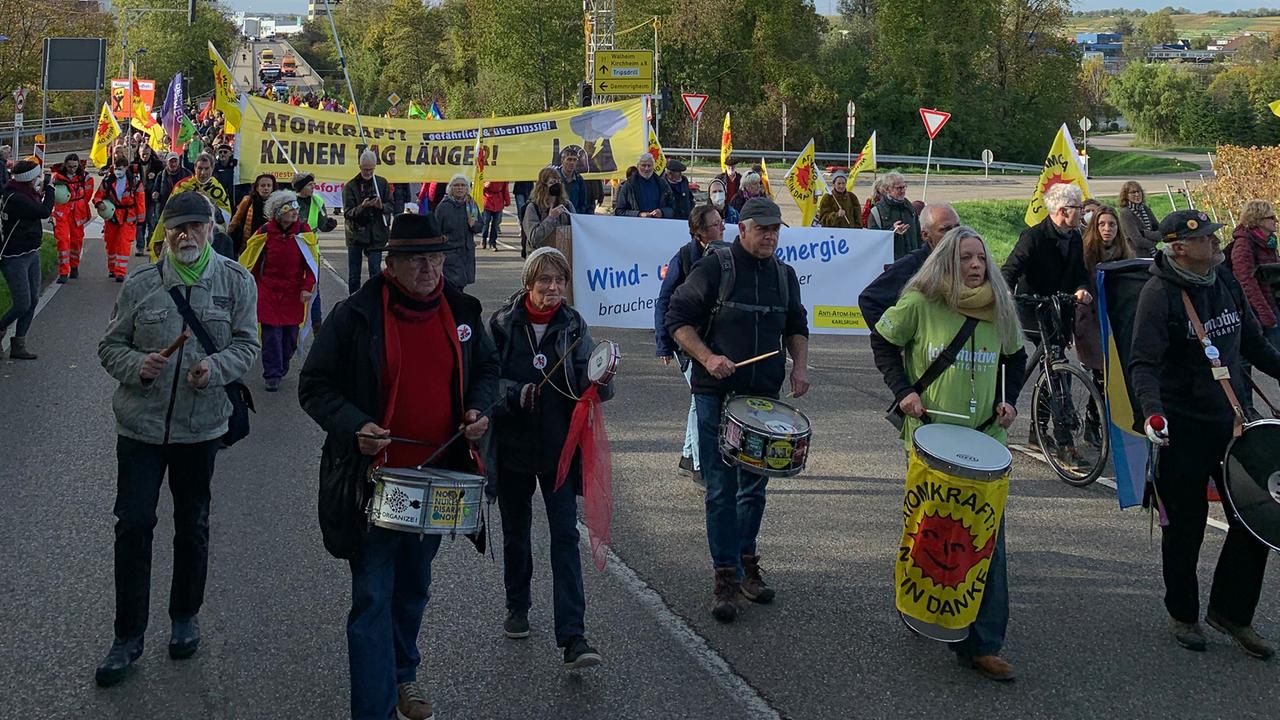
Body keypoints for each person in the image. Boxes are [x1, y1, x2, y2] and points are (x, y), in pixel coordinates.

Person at [298, 213, 499, 720]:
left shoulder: (463, 309)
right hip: (373, 483)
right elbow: (315, 386)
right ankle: (374, 708)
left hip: (439, 482)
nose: (430, 268)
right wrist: (356, 426)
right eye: (417, 259)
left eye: (436, 258)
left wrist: (478, 409)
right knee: (372, 598)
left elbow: (489, 371)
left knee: (414, 589)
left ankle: (402, 674)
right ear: (391, 264)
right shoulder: (356, 315)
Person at [93, 191, 261, 687]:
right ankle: (127, 637)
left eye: (195, 226)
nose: (185, 236)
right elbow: (110, 345)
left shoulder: (236, 282)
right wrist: (136, 367)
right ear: (163, 232)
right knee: (133, 525)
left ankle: (184, 617)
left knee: (192, 524)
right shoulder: (142, 283)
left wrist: (217, 366)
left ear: (211, 229)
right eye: (176, 228)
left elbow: (247, 343)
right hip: (140, 428)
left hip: (199, 428)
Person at [871, 226, 1027, 681]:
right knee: (929, 530)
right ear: (946, 262)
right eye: (965, 258)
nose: (976, 266)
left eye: (981, 257)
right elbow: (883, 342)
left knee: (987, 543)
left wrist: (1010, 398)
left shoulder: (1000, 309)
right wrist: (903, 392)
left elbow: (1015, 358)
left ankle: (982, 644)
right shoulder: (920, 303)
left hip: (986, 443)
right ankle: (922, 609)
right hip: (930, 439)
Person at [1129, 209, 1280, 661]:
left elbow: (1253, 344)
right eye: (1206, 240)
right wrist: (1153, 414)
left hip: (1234, 423)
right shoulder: (1158, 295)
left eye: (1214, 236)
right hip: (1182, 430)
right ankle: (1184, 614)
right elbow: (1143, 364)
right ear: (1178, 248)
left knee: (1258, 519)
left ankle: (1231, 613)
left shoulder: (1224, 281)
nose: (1215, 244)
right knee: (1187, 527)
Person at [664, 197, 811, 623]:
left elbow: (796, 326)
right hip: (716, 396)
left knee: (755, 489)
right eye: (761, 229)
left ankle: (747, 562)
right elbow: (677, 319)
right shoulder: (716, 267)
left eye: (775, 229)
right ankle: (724, 575)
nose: (769, 236)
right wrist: (708, 358)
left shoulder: (785, 276)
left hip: (764, 401)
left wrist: (799, 366)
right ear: (740, 229)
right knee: (721, 488)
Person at [487, 246, 611, 669]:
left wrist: (604, 378)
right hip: (513, 449)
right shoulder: (503, 325)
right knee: (517, 533)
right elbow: (482, 383)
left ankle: (573, 637)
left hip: (560, 449)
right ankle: (517, 605)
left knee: (564, 537)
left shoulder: (574, 325)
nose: (553, 288)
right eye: (545, 281)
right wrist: (513, 394)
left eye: (559, 281)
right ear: (528, 283)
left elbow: (591, 382)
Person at [655, 204, 727, 487]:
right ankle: (701, 466)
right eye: (715, 225)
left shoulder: (726, 254)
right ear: (699, 233)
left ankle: (688, 455)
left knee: (699, 399)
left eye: (722, 222)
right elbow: (664, 301)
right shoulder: (684, 258)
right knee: (701, 401)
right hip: (687, 342)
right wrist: (663, 343)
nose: (722, 227)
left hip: (711, 341)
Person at [239, 190, 319, 392]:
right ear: (277, 212)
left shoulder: (304, 232)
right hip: (268, 290)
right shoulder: (265, 232)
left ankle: (283, 364)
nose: (294, 212)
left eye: (295, 207)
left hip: (293, 293)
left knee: (290, 336)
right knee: (271, 335)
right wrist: (250, 286)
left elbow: (312, 265)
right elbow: (254, 260)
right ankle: (272, 373)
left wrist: (307, 287)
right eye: (289, 208)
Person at [1075, 206, 1134, 444]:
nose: (1107, 229)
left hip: (1114, 317)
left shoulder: (1124, 254)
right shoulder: (1086, 253)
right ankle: (1092, 422)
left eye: (1111, 224)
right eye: (1102, 225)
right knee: (1099, 370)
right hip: (1089, 318)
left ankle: (1097, 421)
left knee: (1112, 374)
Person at [858, 204, 961, 330]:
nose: (954, 234)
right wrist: (891, 339)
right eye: (945, 230)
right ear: (925, 235)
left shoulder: (970, 260)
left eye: (957, 228)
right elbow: (869, 300)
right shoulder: (912, 264)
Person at [0, 160, 55, 360]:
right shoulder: (15, 197)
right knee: (22, 303)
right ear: (28, 179)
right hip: (14, 256)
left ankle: (19, 344)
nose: (38, 180)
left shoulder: (24, 193)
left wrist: (41, 191)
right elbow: (42, 211)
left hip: (31, 252)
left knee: (33, 300)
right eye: (36, 177)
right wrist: (49, 189)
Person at [148, 153, 232, 260]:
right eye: (200, 168)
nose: (203, 173)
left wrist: (210, 204)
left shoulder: (217, 189)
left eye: (206, 169)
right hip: (182, 233)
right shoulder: (182, 185)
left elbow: (226, 215)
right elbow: (168, 212)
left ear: (212, 168)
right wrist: (159, 238)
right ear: (195, 168)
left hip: (208, 237)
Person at [342, 150, 391, 294]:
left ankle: (375, 300)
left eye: (370, 169)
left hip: (376, 235)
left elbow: (392, 205)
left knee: (375, 271)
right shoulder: (351, 186)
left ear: (375, 167)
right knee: (354, 274)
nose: (368, 172)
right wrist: (362, 207)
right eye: (365, 169)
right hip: (356, 235)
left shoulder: (381, 183)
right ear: (359, 166)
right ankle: (353, 300)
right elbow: (348, 213)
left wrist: (381, 206)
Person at [294, 173, 338, 331]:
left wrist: (329, 225)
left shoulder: (318, 201)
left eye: (313, 184)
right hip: (293, 246)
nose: (313, 187)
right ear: (301, 188)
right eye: (309, 185)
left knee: (313, 286)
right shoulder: (291, 202)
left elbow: (322, 224)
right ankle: (293, 320)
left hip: (311, 248)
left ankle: (317, 323)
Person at [94, 156, 147, 282]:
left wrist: (141, 220)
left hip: (128, 217)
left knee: (124, 244)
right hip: (112, 215)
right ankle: (112, 268)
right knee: (110, 243)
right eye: (117, 168)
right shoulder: (108, 181)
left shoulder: (135, 183)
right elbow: (98, 196)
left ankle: (120, 272)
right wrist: (99, 203)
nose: (118, 171)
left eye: (121, 169)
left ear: (126, 168)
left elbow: (140, 202)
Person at [50, 154, 93, 282]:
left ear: (78, 165)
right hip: (62, 211)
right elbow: (50, 192)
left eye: (74, 166)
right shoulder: (57, 177)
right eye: (69, 166)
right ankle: (63, 272)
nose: (72, 169)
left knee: (76, 241)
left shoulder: (85, 177)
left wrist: (80, 205)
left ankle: (74, 266)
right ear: (65, 165)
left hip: (78, 212)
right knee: (62, 241)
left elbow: (87, 195)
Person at [436, 174, 483, 290]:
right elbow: (435, 229)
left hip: (466, 253)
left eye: (463, 185)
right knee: (453, 286)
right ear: (450, 188)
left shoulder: (471, 205)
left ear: (467, 188)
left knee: (461, 286)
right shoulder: (443, 207)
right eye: (456, 185)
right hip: (450, 252)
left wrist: (474, 225)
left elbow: (480, 226)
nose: (460, 188)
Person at [868, 172, 922, 260]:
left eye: (904, 187)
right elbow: (873, 242)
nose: (903, 191)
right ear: (887, 189)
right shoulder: (876, 212)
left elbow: (919, 236)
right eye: (899, 188)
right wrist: (892, 232)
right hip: (890, 265)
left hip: (913, 262)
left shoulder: (910, 208)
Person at [523, 166, 574, 251]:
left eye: (559, 182)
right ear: (543, 186)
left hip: (562, 255)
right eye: (552, 182)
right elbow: (533, 238)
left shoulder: (567, 205)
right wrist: (550, 218)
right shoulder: (533, 208)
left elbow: (577, 231)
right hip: (541, 257)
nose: (557, 185)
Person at [227, 174, 276, 258]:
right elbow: (237, 218)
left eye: (269, 185)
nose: (266, 188)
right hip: (249, 242)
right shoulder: (248, 200)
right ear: (257, 188)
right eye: (263, 185)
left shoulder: (277, 203)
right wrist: (228, 231)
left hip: (269, 243)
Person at [614, 153, 674, 218]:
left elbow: (673, 208)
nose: (646, 169)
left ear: (653, 166)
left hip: (658, 224)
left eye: (649, 165)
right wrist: (638, 214)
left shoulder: (662, 184)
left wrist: (662, 212)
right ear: (638, 166)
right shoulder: (628, 185)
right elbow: (619, 211)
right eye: (643, 165)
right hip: (635, 225)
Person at [1118, 180, 1162, 257]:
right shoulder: (1125, 213)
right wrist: (1154, 240)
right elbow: (1138, 241)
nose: (1137, 194)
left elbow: (1160, 233)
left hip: (1153, 253)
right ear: (1126, 195)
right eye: (1133, 192)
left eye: (1139, 191)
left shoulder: (1146, 209)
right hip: (1137, 256)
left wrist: (1144, 233)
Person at [135, 145, 165, 257]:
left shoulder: (157, 164)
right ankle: (139, 246)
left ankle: (150, 243)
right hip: (138, 198)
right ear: (139, 152)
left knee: (150, 221)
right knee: (139, 223)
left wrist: (155, 175)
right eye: (143, 153)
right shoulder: (134, 164)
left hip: (151, 197)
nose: (145, 156)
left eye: (147, 153)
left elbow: (163, 177)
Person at [556, 146, 590, 214]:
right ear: (562, 160)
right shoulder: (555, 178)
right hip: (558, 216)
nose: (572, 163)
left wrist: (578, 214)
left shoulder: (579, 179)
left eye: (574, 160)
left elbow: (583, 202)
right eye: (569, 159)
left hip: (574, 216)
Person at [481, 180, 511, 251]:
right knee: (486, 221)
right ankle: (484, 238)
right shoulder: (486, 173)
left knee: (495, 223)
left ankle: (492, 243)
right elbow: (478, 186)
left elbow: (505, 189)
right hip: (487, 200)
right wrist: (484, 186)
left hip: (498, 201)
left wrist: (507, 200)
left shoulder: (502, 177)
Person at [513, 180, 535, 256]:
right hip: (519, 189)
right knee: (521, 211)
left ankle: (525, 229)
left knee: (527, 212)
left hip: (529, 189)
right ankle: (522, 227)